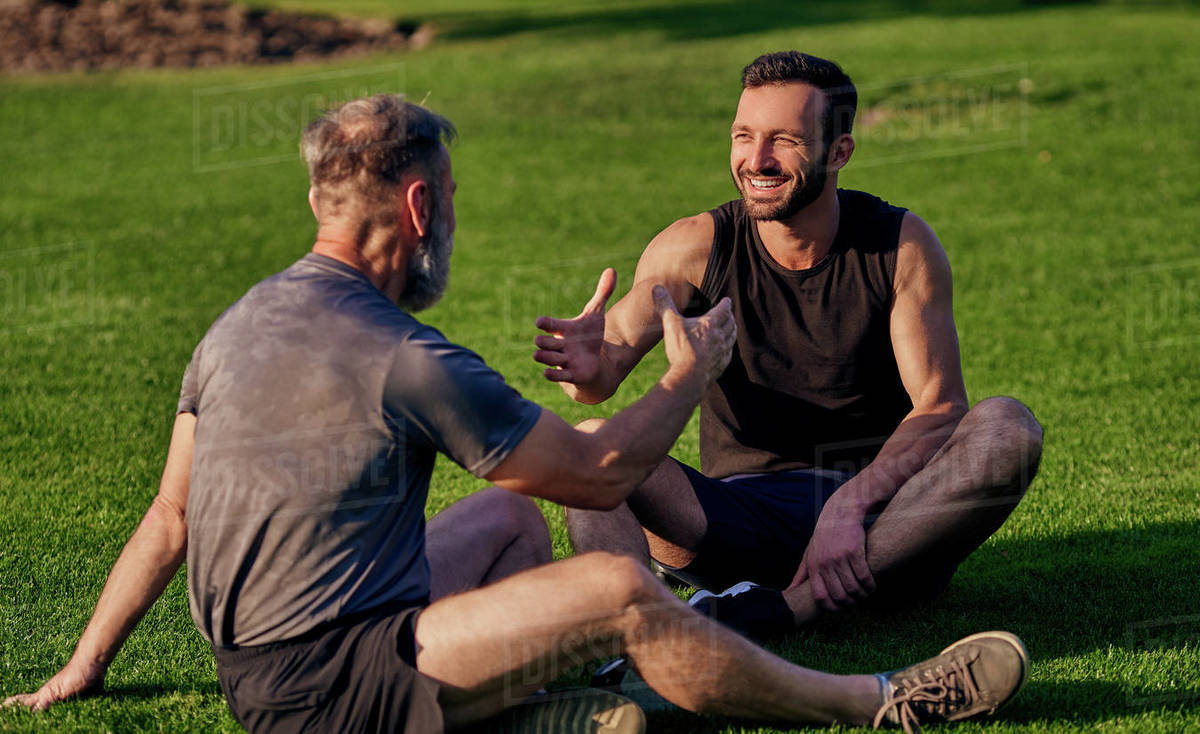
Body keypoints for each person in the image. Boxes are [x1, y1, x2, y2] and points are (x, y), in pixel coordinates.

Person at [5, 94, 1029, 733]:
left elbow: (170, 515)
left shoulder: (236, 325)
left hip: (261, 671)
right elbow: (595, 475)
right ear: (419, 208)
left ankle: (537, 711)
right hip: (337, 682)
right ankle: (878, 698)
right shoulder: (404, 356)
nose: (453, 215)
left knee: (504, 518)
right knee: (614, 587)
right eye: (449, 196)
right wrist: (687, 375)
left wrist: (84, 667)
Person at [536, 52, 1045, 639]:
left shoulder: (901, 246)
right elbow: (605, 369)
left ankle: (779, 610)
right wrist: (585, 366)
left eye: (784, 140)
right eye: (743, 136)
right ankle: (629, 637)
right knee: (591, 445)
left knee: (1008, 428)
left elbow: (940, 407)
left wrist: (848, 507)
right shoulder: (695, 247)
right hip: (732, 519)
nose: (756, 160)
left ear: (839, 151)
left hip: (881, 525)